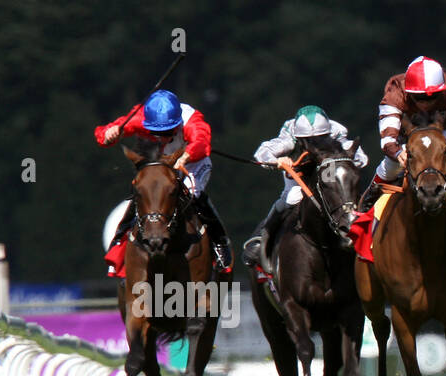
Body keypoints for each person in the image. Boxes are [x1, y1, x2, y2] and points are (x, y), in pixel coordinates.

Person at [95, 89, 232, 272]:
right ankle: (120, 240)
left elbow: (202, 141)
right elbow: (107, 134)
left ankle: (219, 242)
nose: (164, 136)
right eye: (157, 132)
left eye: (169, 131)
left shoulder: (191, 119)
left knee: (191, 193)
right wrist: (109, 134)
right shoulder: (139, 116)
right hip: (162, 163)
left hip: (192, 162)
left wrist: (187, 155)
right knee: (144, 193)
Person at [242, 106, 367, 269]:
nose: (315, 145)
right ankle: (262, 235)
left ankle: (360, 232)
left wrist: (347, 158)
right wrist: (277, 161)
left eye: (321, 138)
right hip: (300, 174)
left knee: (339, 194)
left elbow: (360, 158)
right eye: (308, 140)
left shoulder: (337, 133)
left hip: (327, 171)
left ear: (327, 134)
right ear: (299, 138)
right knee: (292, 197)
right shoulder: (289, 138)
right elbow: (262, 152)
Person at [358, 56, 446, 211]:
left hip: (437, 135)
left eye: (432, 97)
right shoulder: (395, 94)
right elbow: (387, 140)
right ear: (408, 92)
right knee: (391, 165)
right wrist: (398, 153)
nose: (425, 104)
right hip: (405, 140)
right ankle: (369, 202)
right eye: (419, 98)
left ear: (442, 90)